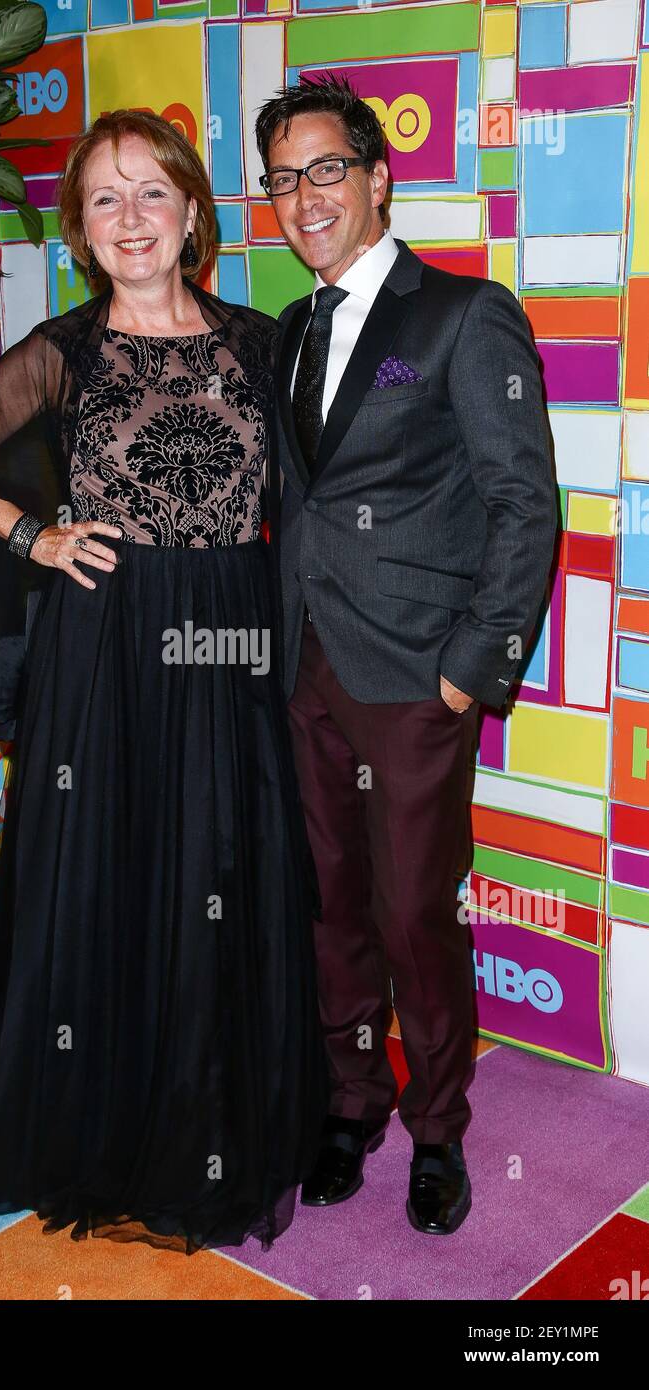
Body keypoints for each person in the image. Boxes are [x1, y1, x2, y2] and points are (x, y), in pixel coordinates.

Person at [0, 109, 329, 1255]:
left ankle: (207, 1119)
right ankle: (102, 1119)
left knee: (220, 862)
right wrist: (33, 539)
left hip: (228, 636)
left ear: (194, 212)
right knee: (114, 867)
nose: (131, 218)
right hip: (107, 642)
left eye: (152, 193)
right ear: (82, 233)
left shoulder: (260, 342)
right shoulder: (64, 350)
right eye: (105, 199)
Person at [254, 74, 557, 1234]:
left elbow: (522, 502)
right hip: (303, 671)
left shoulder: (460, 316)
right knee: (327, 906)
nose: (303, 197)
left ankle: (437, 1128)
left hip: (413, 682)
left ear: (379, 179)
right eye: (282, 178)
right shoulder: (289, 330)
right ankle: (349, 1103)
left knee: (412, 916)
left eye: (326, 169)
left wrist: (467, 669)